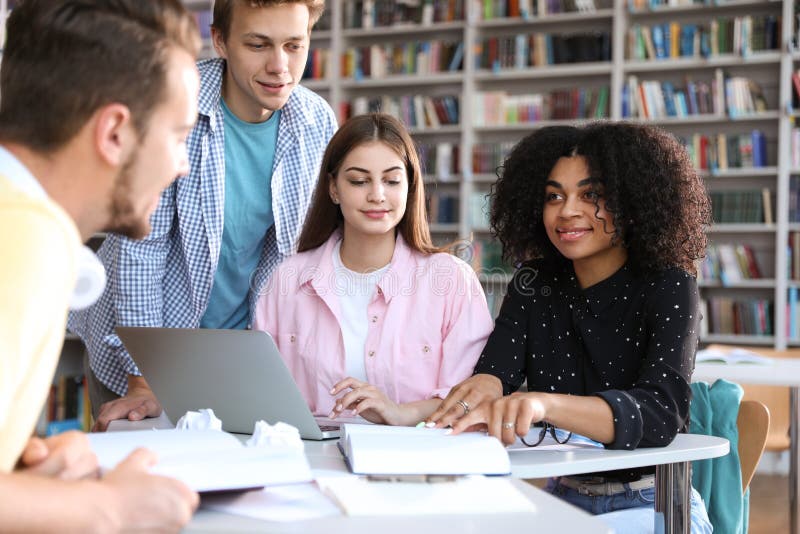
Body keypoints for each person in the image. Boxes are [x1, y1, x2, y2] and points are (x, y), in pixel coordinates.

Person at [429, 123, 713, 533]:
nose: (567, 210)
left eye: (591, 195)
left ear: (631, 202)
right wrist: (486, 385)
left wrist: (546, 405)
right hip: (562, 496)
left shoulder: (670, 284)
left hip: (654, 502)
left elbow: (660, 412)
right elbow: (496, 373)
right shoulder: (533, 282)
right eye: (553, 196)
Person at [68, 0, 338, 430]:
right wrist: (143, 379)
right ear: (220, 41)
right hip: (139, 343)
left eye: (294, 45)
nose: (279, 66)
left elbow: (307, 252)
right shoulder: (175, 109)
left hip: (234, 353)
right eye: (258, 44)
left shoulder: (316, 122)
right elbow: (141, 253)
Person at [0, 0, 201, 530]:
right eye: (178, 136)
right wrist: (109, 508)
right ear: (114, 132)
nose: (182, 166)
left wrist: (22, 481)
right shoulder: (23, 234)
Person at [253, 113, 494, 425]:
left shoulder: (451, 280)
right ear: (334, 188)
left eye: (392, 181)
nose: (377, 195)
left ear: (410, 188)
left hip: (417, 462)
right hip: (309, 461)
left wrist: (399, 412)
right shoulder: (286, 280)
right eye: (358, 181)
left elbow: (472, 400)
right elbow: (261, 395)